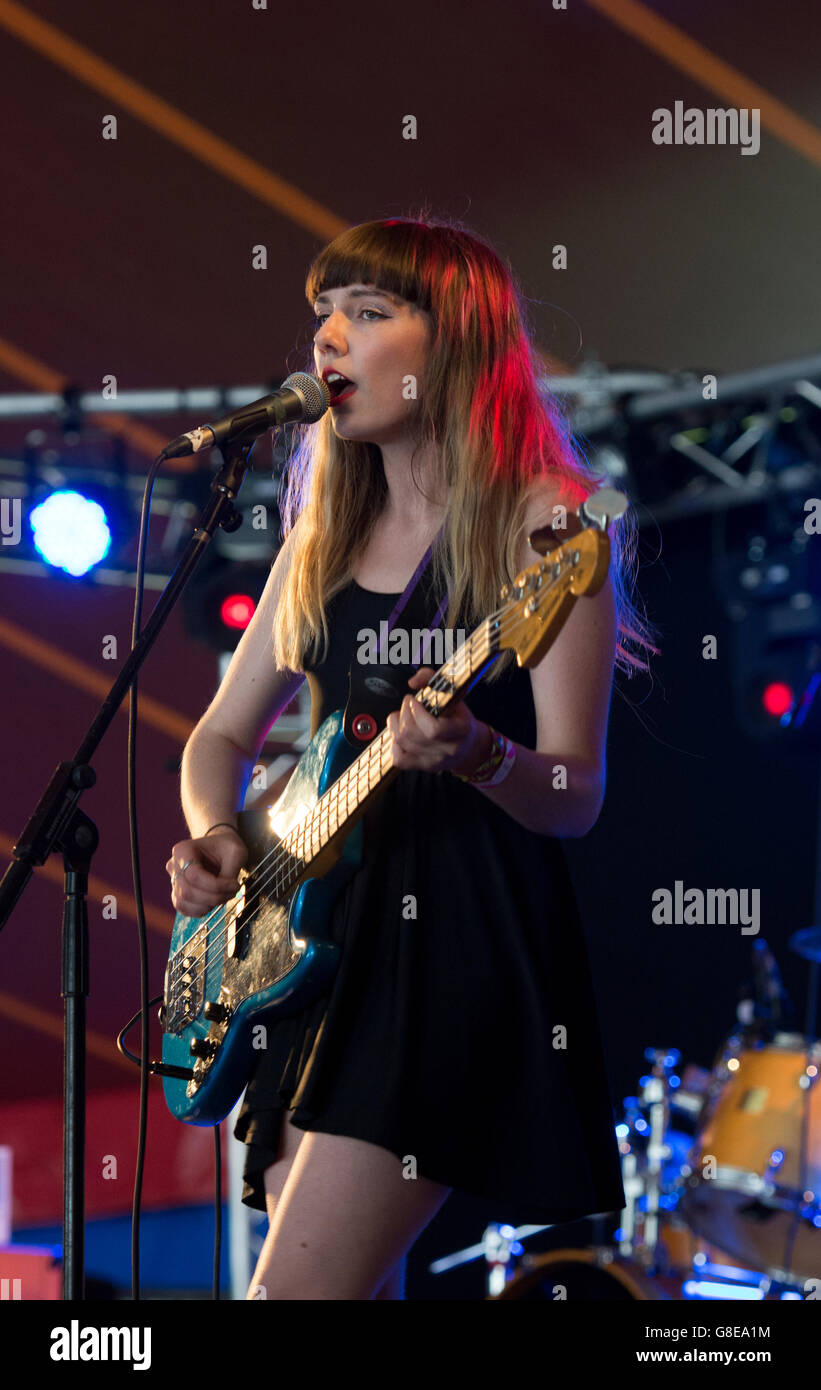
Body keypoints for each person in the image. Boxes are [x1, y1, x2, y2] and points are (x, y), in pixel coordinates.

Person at [166, 216, 656, 1300]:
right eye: (322, 316)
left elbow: (575, 791)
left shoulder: (553, 523)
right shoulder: (323, 532)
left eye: (369, 312)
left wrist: (480, 754)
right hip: (311, 946)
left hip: (448, 952)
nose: (328, 339)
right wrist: (211, 838)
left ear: (456, 344)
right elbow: (218, 737)